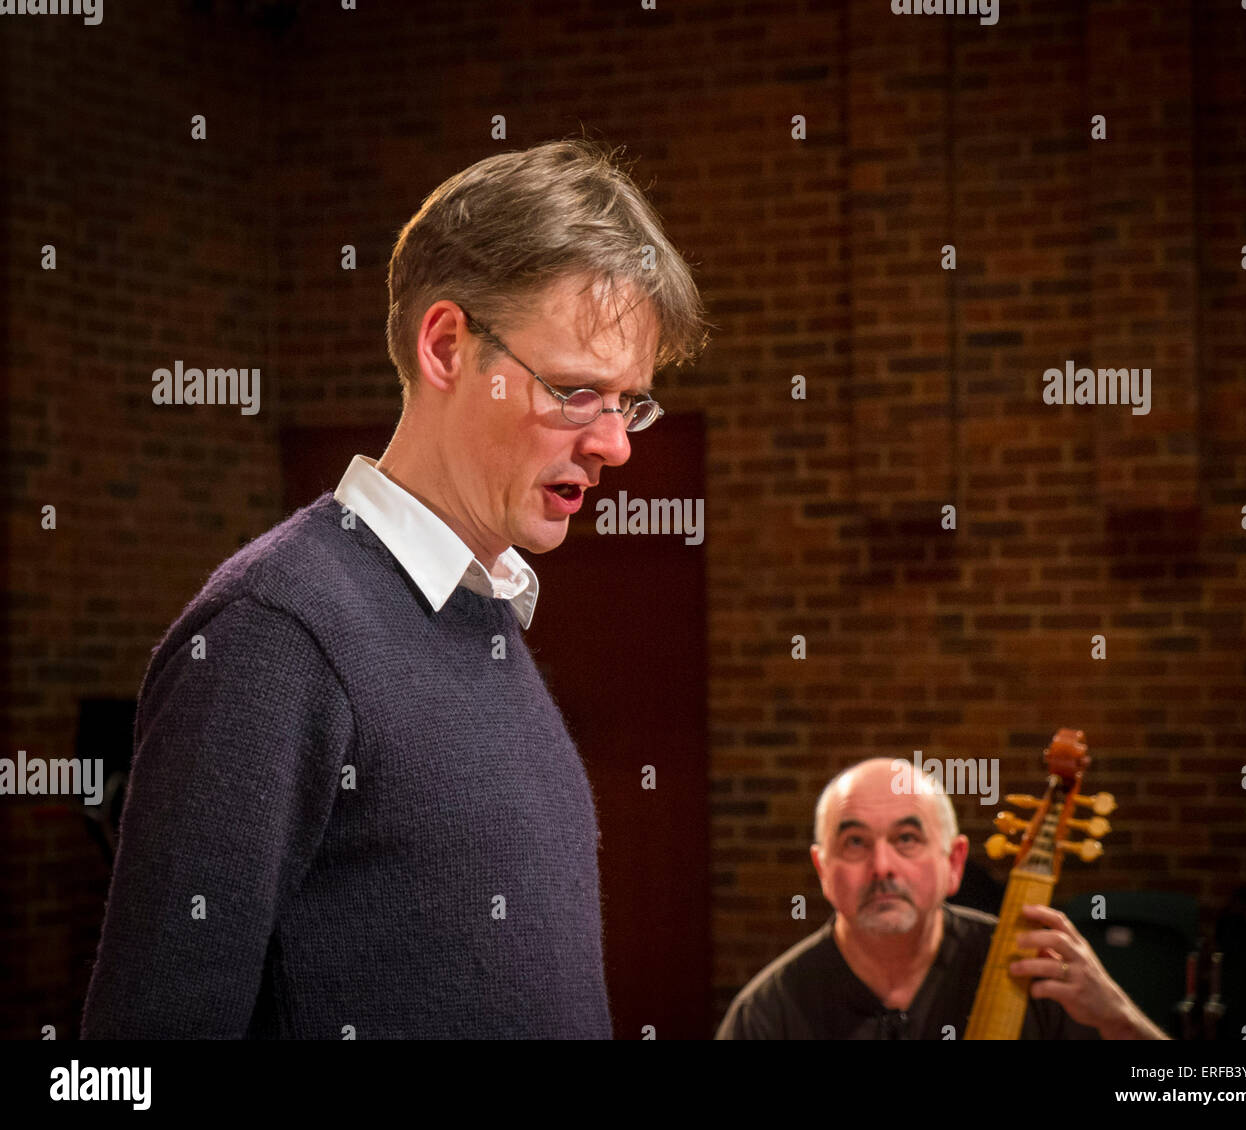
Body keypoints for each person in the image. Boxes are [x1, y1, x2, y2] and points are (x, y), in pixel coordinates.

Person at [81, 138, 709, 1038]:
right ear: (447, 345)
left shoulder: (483, 610)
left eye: (630, 402)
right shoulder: (275, 632)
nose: (617, 445)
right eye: (576, 391)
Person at [716, 758, 1169, 1039]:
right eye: (855, 843)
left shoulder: (1034, 970)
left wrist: (1120, 1020)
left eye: (907, 838)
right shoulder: (767, 1014)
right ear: (822, 871)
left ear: (954, 863)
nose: (882, 867)